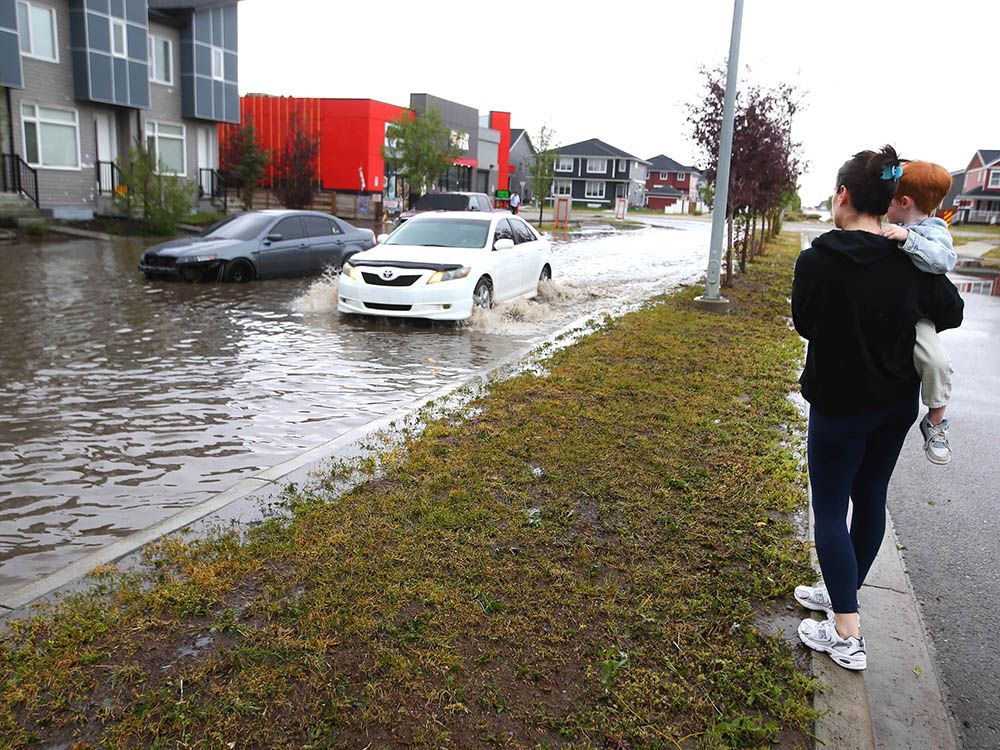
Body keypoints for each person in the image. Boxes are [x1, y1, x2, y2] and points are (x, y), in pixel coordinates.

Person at [791, 145, 964, 671]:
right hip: (892, 406)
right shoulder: (910, 255)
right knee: (869, 502)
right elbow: (952, 311)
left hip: (839, 407)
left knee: (828, 509)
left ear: (843, 195)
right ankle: (843, 593)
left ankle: (847, 632)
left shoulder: (820, 258)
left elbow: (805, 324)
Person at [880, 161, 957, 464]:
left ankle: (935, 421)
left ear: (904, 203)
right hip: (889, 311)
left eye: (889, 200)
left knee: (936, 361)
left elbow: (943, 260)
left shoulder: (933, 231)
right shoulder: (891, 225)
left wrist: (907, 239)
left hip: (917, 316)